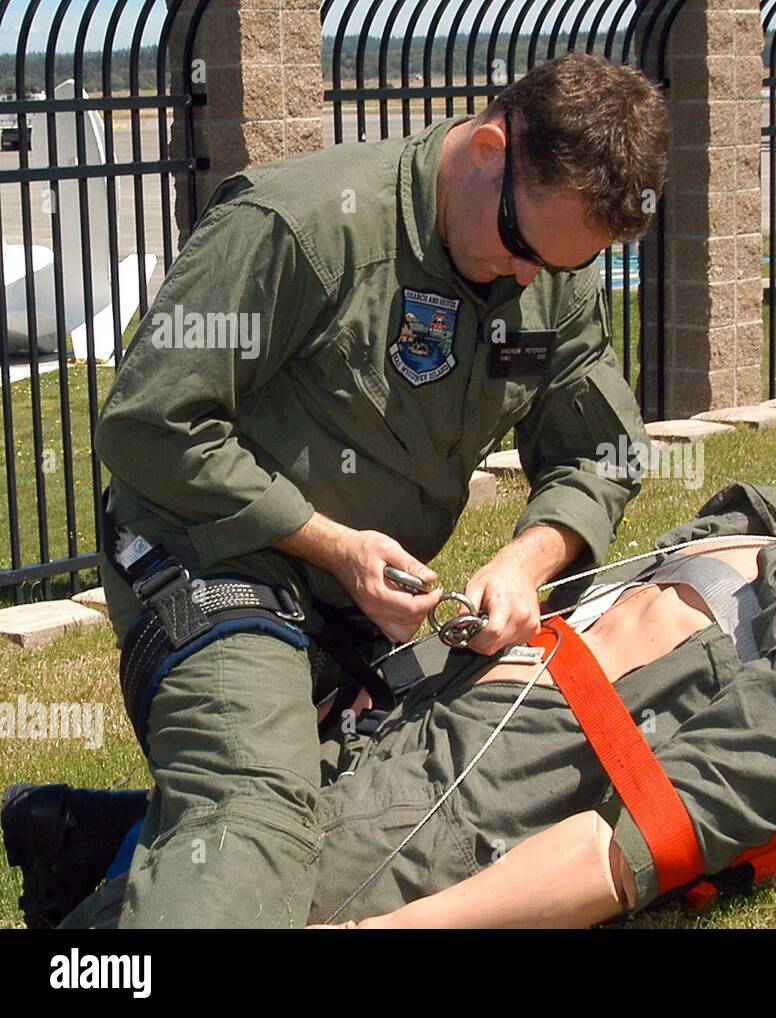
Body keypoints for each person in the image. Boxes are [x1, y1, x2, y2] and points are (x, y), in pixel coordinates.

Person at [20, 396, 776, 928]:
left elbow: (632, 846)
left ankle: (92, 848)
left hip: (424, 824)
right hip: (381, 741)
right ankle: (92, 836)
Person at [87, 53, 666, 927]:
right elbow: (147, 423)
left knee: (395, 788)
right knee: (254, 808)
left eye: (555, 266)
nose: (525, 282)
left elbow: (606, 453)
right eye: (520, 247)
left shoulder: (549, 269)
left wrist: (525, 558)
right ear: (487, 148)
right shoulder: (299, 224)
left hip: (349, 604)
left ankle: (83, 852)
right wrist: (332, 542)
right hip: (209, 553)